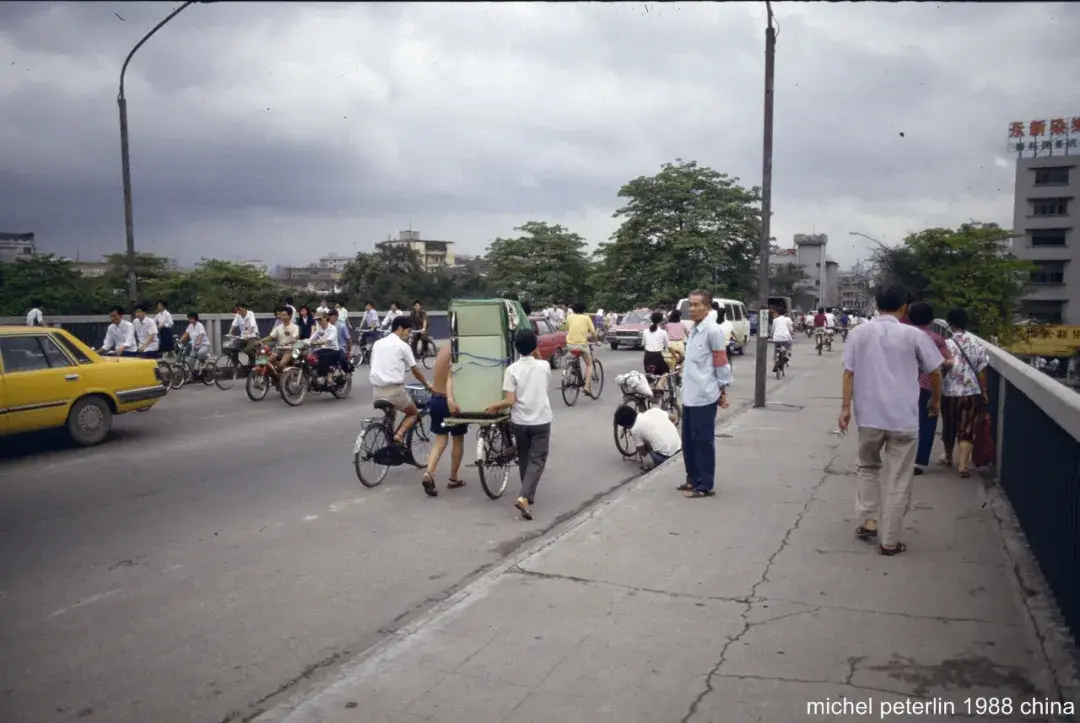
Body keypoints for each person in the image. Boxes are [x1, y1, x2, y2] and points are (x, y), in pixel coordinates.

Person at [838, 286, 943, 556]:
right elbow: (935, 371)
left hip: (869, 415)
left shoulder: (859, 333)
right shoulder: (914, 335)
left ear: (877, 304)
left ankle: (869, 521)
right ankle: (890, 541)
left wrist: (845, 408)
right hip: (904, 418)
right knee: (899, 478)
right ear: (904, 307)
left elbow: (848, 373)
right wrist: (936, 401)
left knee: (868, 467)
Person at [485, 329, 552, 521]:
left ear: (515, 347)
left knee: (524, 457)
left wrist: (494, 406)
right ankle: (524, 497)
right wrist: (536, 351)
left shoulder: (511, 370)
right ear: (535, 346)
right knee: (537, 460)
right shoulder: (544, 366)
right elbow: (539, 365)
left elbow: (510, 401)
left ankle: (527, 495)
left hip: (520, 422)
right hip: (541, 420)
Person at [678, 289, 732, 499]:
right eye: (690, 305)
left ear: (707, 307)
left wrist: (723, 389)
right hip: (689, 394)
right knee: (688, 441)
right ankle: (692, 478)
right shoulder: (694, 329)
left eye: (696, 305)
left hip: (704, 394)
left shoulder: (712, 330)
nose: (691, 309)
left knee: (702, 441)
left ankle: (705, 485)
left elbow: (721, 361)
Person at [369, 316, 434, 482]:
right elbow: (416, 371)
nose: (409, 334)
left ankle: (389, 441)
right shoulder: (403, 346)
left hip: (377, 391)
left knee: (391, 412)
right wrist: (427, 385)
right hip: (394, 390)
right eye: (408, 331)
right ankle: (398, 436)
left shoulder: (378, 343)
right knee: (413, 413)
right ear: (399, 328)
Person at [941, 307, 989, 478]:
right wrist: (983, 391)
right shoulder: (977, 344)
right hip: (970, 391)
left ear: (950, 323)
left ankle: (948, 457)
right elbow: (981, 370)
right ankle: (963, 465)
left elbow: (941, 367)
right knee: (967, 427)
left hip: (949, 391)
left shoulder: (946, 344)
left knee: (949, 425)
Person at [907, 301, 953, 476]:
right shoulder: (936, 338)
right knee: (926, 423)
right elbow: (948, 361)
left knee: (905, 422)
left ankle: (902, 458)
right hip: (927, 385)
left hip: (905, 385)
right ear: (931, 319)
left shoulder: (904, 336)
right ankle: (918, 460)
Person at [422, 344, 469, 493]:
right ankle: (453, 478)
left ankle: (429, 472)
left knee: (440, 441)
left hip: (436, 399)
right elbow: (452, 373)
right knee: (458, 439)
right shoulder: (460, 347)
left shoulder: (444, 348)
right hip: (451, 402)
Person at [614, 404, 681, 468]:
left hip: (666, 458)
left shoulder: (635, 429)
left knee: (644, 442)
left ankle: (658, 462)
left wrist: (638, 442)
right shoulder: (654, 410)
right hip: (680, 449)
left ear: (627, 425)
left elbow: (644, 453)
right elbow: (674, 418)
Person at [565, 301, 598, 396]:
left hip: (570, 345)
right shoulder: (586, 318)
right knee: (589, 365)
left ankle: (573, 370)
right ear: (583, 310)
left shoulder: (569, 317)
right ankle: (586, 387)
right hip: (582, 345)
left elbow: (568, 329)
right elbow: (593, 332)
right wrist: (596, 342)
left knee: (573, 355)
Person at [306, 310, 343, 380]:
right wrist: (304, 342)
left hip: (333, 350)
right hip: (322, 350)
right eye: (317, 320)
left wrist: (320, 342)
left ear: (325, 318)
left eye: (320, 319)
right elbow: (311, 338)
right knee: (309, 357)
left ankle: (327, 376)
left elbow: (329, 340)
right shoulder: (319, 329)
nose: (318, 321)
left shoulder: (333, 328)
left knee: (323, 357)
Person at [643, 310, 670, 375]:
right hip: (657, 358)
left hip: (647, 358)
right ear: (661, 320)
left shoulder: (645, 331)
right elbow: (668, 346)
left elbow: (644, 344)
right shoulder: (663, 332)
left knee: (649, 375)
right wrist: (676, 355)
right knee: (666, 373)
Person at [328, 308, 353, 373]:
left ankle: (347, 372)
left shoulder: (342, 326)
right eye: (329, 315)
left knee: (342, 360)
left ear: (336, 317)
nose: (329, 317)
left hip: (340, 348)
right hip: (330, 348)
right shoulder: (327, 326)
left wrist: (349, 351)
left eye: (331, 316)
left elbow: (348, 339)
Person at [770, 307, 794, 372]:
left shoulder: (775, 320)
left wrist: (771, 335)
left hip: (776, 338)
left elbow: (772, 330)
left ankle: (775, 362)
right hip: (785, 338)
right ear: (785, 313)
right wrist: (792, 333)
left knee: (776, 349)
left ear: (778, 313)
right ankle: (787, 354)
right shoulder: (787, 319)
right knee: (790, 343)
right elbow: (791, 329)